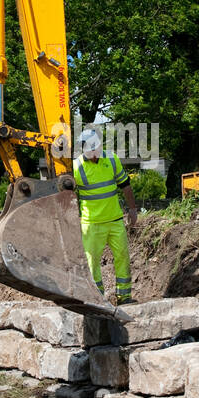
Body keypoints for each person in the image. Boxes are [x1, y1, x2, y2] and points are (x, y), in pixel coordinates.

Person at [73, 129, 139, 305]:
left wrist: (132, 209)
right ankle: (98, 300)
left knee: (123, 257)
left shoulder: (111, 159)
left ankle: (124, 297)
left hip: (115, 221)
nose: (94, 155)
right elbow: (67, 196)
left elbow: (125, 184)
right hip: (91, 224)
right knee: (92, 264)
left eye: (96, 149)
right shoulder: (76, 167)